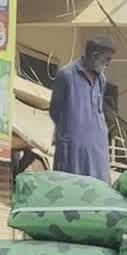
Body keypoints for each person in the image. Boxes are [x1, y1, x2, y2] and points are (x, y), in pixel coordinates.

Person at [49, 39, 114, 182]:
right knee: (72, 191)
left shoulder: (101, 80)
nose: (108, 64)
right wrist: (72, 132)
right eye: (106, 59)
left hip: (98, 150)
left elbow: (98, 110)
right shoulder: (66, 75)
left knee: (98, 193)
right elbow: (55, 111)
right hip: (73, 149)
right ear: (95, 55)